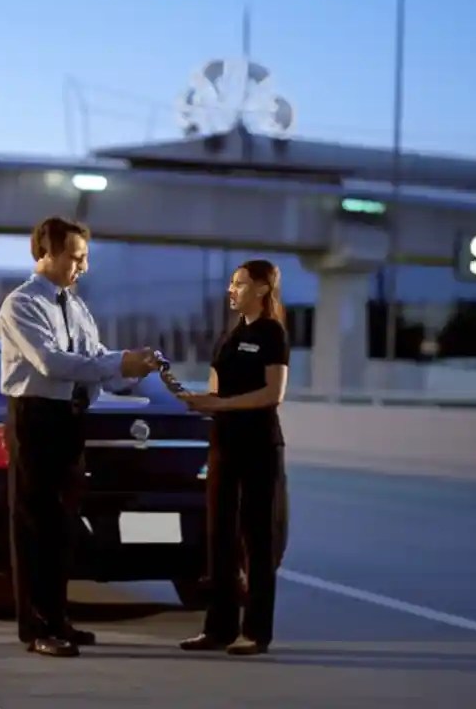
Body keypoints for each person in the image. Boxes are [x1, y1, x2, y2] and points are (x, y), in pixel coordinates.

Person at [0, 215, 160, 658]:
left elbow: (94, 360)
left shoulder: (76, 306)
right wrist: (116, 363)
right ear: (45, 254)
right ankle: (35, 628)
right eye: (75, 257)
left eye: (84, 257)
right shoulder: (22, 304)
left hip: (71, 418)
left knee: (63, 525)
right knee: (33, 525)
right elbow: (53, 362)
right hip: (36, 417)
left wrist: (131, 365)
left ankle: (58, 617)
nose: (82, 266)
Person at [177, 258, 291, 656]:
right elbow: (217, 393)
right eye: (231, 283)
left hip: (259, 446)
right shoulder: (228, 337)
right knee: (218, 538)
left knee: (257, 540)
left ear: (261, 288)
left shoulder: (271, 334)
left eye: (240, 283)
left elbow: (272, 394)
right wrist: (198, 401)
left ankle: (256, 631)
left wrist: (221, 404)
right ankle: (218, 628)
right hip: (223, 445)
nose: (232, 289)